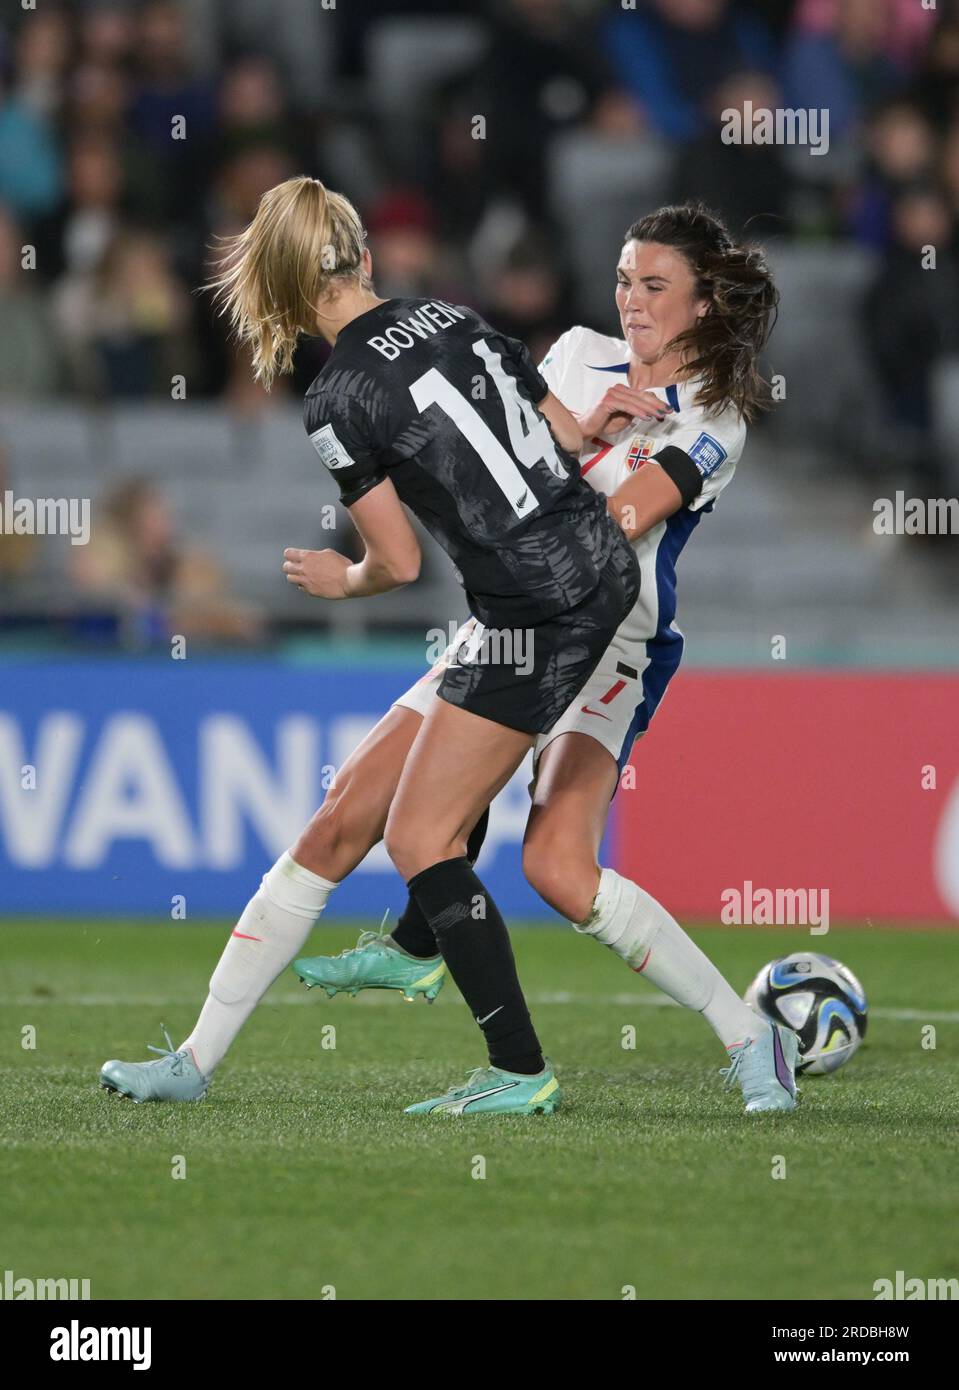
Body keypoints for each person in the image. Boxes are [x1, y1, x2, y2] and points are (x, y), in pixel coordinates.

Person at [99, 175, 641, 1116]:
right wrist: (583, 426)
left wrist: (333, 577)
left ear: (277, 284)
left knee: (416, 834)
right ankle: (201, 1057)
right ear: (362, 255)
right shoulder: (452, 314)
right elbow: (537, 419)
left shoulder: (338, 395)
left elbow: (391, 563)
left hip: (537, 609)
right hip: (574, 572)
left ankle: (516, 1068)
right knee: (344, 817)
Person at [296, 203, 799, 1115]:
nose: (631, 302)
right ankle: (420, 959)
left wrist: (555, 455)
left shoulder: (716, 416)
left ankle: (747, 1034)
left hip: (614, 637)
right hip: (518, 613)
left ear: (701, 303)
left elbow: (621, 518)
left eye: (654, 286)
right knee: (423, 804)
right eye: (622, 280)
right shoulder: (570, 353)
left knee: (557, 869)